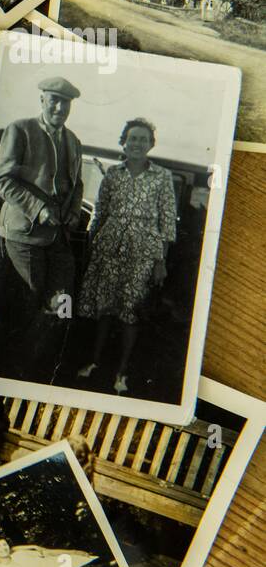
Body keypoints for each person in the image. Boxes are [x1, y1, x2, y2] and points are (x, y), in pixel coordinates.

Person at [75, 119, 177, 394]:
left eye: (143, 139)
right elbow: (99, 212)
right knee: (105, 306)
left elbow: (167, 222)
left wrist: (161, 262)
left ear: (151, 144)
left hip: (143, 252)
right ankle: (94, 362)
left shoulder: (162, 177)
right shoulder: (112, 174)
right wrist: (91, 246)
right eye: (132, 138)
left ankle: (122, 372)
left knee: (131, 311)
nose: (137, 143)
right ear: (124, 141)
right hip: (109, 248)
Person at [0, 77, 83, 323]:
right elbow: (1, 180)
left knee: (63, 302)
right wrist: (39, 209)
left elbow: (78, 184)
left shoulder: (74, 141)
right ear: (42, 100)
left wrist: (74, 211)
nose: (60, 108)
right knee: (30, 298)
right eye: (54, 101)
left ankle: (49, 350)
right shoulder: (20, 130)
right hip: (24, 234)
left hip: (59, 236)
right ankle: (21, 354)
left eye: (66, 103)